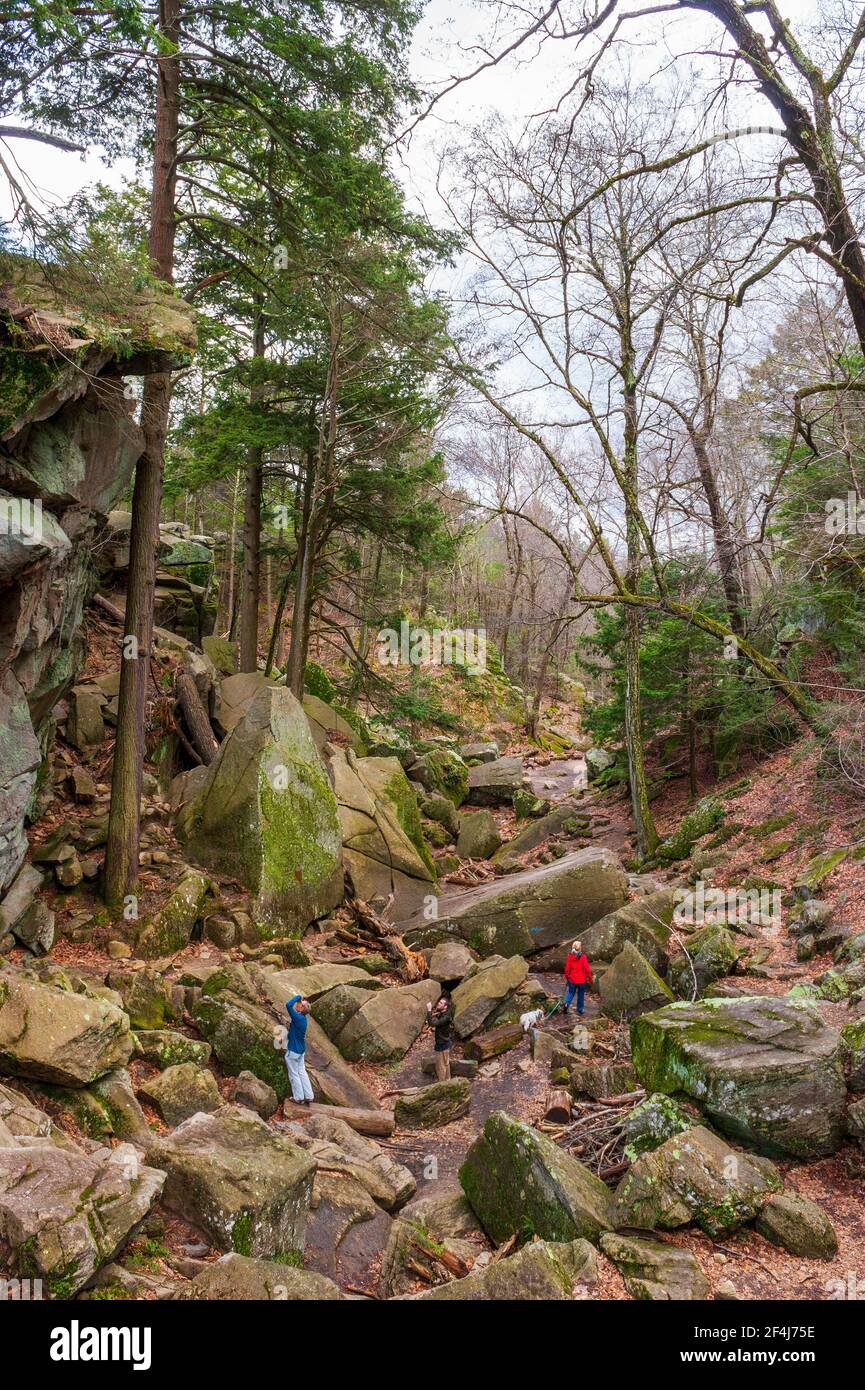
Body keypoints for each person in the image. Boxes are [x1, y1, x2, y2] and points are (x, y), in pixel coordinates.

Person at [285, 993, 314, 1105]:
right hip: (301, 1050)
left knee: (294, 1074)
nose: (298, 1003)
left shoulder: (297, 1017)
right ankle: (309, 1095)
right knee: (302, 1072)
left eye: (300, 1004)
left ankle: (298, 1097)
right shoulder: (303, 1019)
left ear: (301, 1008)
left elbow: (288, 1005)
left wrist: (298, 997)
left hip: (293, 1051)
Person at [426, 989, 454, 1081]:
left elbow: (431, 1024)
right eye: (439, 1002)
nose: (438, 1004)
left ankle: (442, 1084)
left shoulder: (445, 1018)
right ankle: (448, 1081)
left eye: (441, 1003)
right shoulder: (446, 1012)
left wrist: (429, 1010)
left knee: (440, 1066)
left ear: (445, 1006)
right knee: (446, 1063)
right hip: (446, 1042)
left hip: (442, 1044)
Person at [562, 940, 592, 1016]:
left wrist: (567, 976)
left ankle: (566, 1004)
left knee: (571, 992)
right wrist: (590, 978)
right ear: (580, 948)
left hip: (572, 979)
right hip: (582, 980)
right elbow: (587, 969)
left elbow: (567, 969)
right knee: (581, 994)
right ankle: (580, 1009)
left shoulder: (570, 956)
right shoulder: (583, 957)